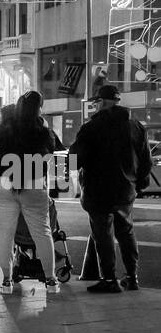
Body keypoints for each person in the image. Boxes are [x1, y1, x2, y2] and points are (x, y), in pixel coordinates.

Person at [71, 83, 150, 293]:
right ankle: (132, 278)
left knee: (103, 234)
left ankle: (109, 279)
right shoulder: (136, 126)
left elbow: (74, 159)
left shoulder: (91, 127)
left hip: (98, 190)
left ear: (102, 102)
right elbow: (145, 160)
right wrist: (139, 183)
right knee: (126, 231)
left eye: (97, 102)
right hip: (126, 189)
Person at [0, 90, 62, 296]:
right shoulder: (43, 131)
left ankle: (6, 281)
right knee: (42, 233)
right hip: (33, 184)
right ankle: (50, 281)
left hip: (3, 183)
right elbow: (49, 157)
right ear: (39, 108)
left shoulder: (3, 128)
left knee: (4, 233)